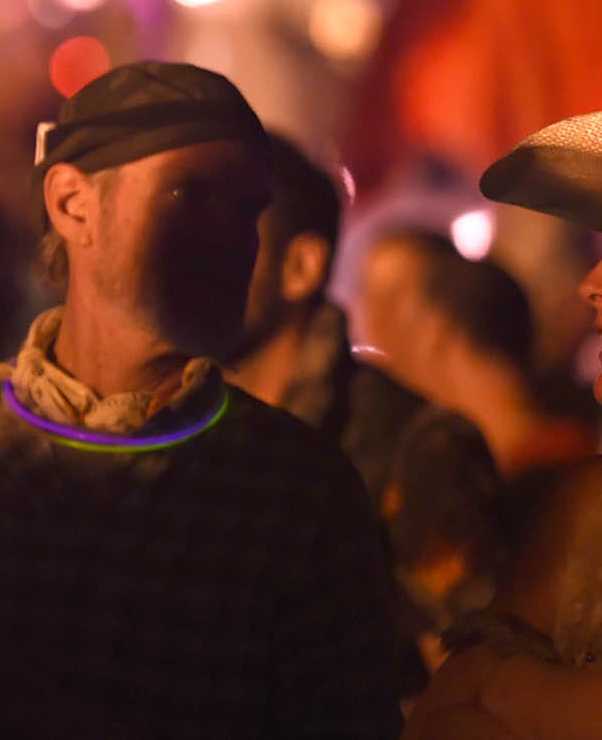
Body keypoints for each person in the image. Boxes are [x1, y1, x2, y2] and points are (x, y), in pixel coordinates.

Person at [0, 63, 403, 739]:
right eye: (189, 194)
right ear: (72, 203)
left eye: (247, 210)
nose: (234, 240)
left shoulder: (296, 492)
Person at [226, 134, 506, 675]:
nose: (193, 260)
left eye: (230, 233)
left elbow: (466, 684)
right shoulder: (176, 426)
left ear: (300, 267)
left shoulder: (417, 446)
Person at [406, 110, 602, 737]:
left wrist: (499, 688)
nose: (590, 287)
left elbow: (473, 687)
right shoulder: (588, 500)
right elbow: (445, 706)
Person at [354, 228, 595, 513]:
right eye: (368, 298)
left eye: (395, 301)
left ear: (438, 332)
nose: (376, 325)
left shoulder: (551, 478)